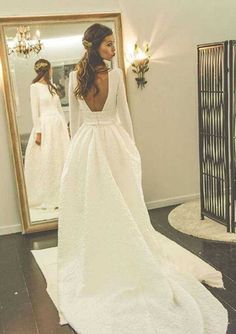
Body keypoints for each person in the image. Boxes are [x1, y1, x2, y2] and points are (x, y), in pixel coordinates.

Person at [57, 23, 228, 333]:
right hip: (112, 141)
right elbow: (123, 117)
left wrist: (75, 152)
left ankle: (104, 250)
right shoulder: (117, 75)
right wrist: (131, 151)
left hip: (87, 143)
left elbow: (75, 122)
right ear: (96, 46)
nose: (112, 49)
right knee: (119, 199)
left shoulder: (76, 77)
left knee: (101, 200)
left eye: (112, 44)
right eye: (108, 44)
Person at [24, 59, 70, 210]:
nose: (51, 72)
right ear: (46, 70)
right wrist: (38, 132)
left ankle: (64, 194)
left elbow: (59, 109)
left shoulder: (53, 86)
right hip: (45, 126)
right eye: (50, 69)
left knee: (60, 158)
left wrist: (65, 127)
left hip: (57, 126)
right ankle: (49, 195)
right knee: (48, 159)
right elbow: (34, 111)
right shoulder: (34, 87)